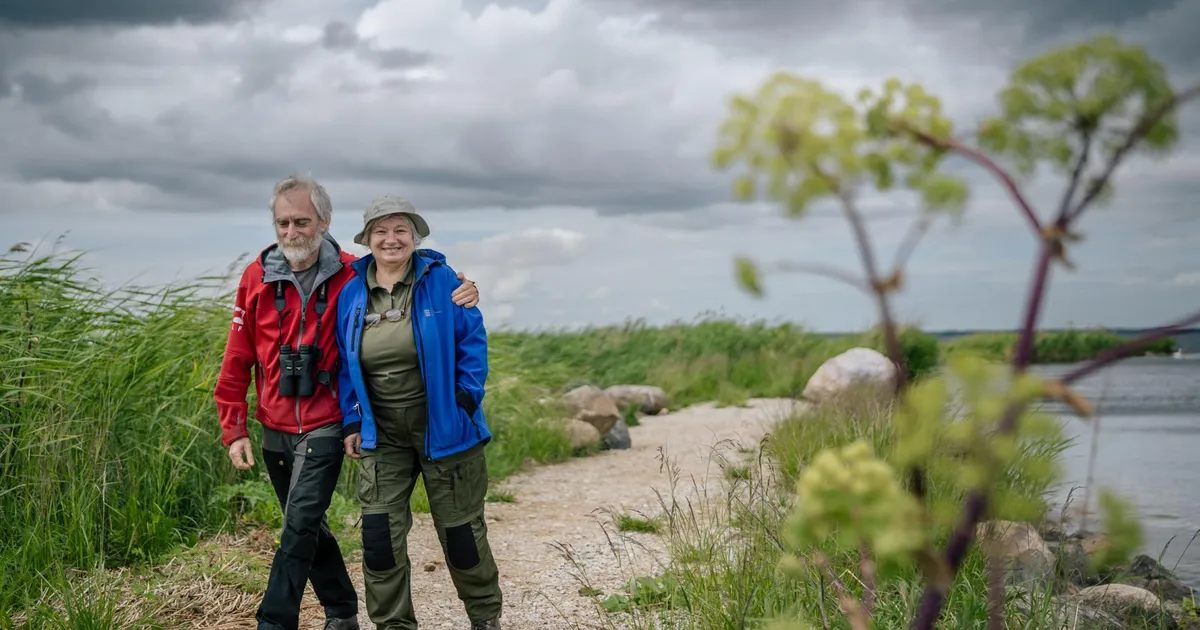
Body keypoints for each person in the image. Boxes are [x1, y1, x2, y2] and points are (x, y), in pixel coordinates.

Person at [213, 175, 481, 630]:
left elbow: (408, 267)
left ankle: (273, 621)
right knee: (308, 525)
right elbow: (237, 353)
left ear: (324, 221)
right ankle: (341, 610)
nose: (291, 232)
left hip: (327, 420)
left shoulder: (352, 273)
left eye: (302, 221)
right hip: (275, 421)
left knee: (299, 523)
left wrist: (461, 286)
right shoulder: (257, 275)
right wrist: (233, 424)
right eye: (282, 223)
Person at [335, 196, 502, 630]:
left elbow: (473, 341)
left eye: (400, 230)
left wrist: (465, 399)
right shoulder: (350, 293)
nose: (391, 239)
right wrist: (352, 418)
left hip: (446, 429)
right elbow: (345, 363)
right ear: (367, 239)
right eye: (381, 231)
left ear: (414, 237)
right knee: (378, 539)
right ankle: (394, 625)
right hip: (381, 434)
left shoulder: (444, 280)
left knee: (462, 535)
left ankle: (485, 619)